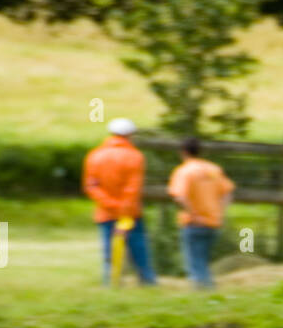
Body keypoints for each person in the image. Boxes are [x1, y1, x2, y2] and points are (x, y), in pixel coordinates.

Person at [82, 118, 156, 286]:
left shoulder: (95, 155)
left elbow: (91, 186)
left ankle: (110, 284)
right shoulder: (134, 156)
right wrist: (123, 213)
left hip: (105, 213)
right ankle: (148, 283)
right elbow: (132, 189)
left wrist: (110, 205)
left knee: (110, 253)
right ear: (130, 135)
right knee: (140, 252)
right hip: (130, 214)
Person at [167, 137, 235, 289]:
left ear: (183, 152)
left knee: (195, 264)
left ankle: (203, 293)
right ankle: (209, 291)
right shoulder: (214, 170)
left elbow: (180, 197)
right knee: (203, 261)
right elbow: (228, 193)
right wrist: (220, 212)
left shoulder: (184, 171)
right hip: (213, 223)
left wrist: (193, 214)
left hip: (194, 224)